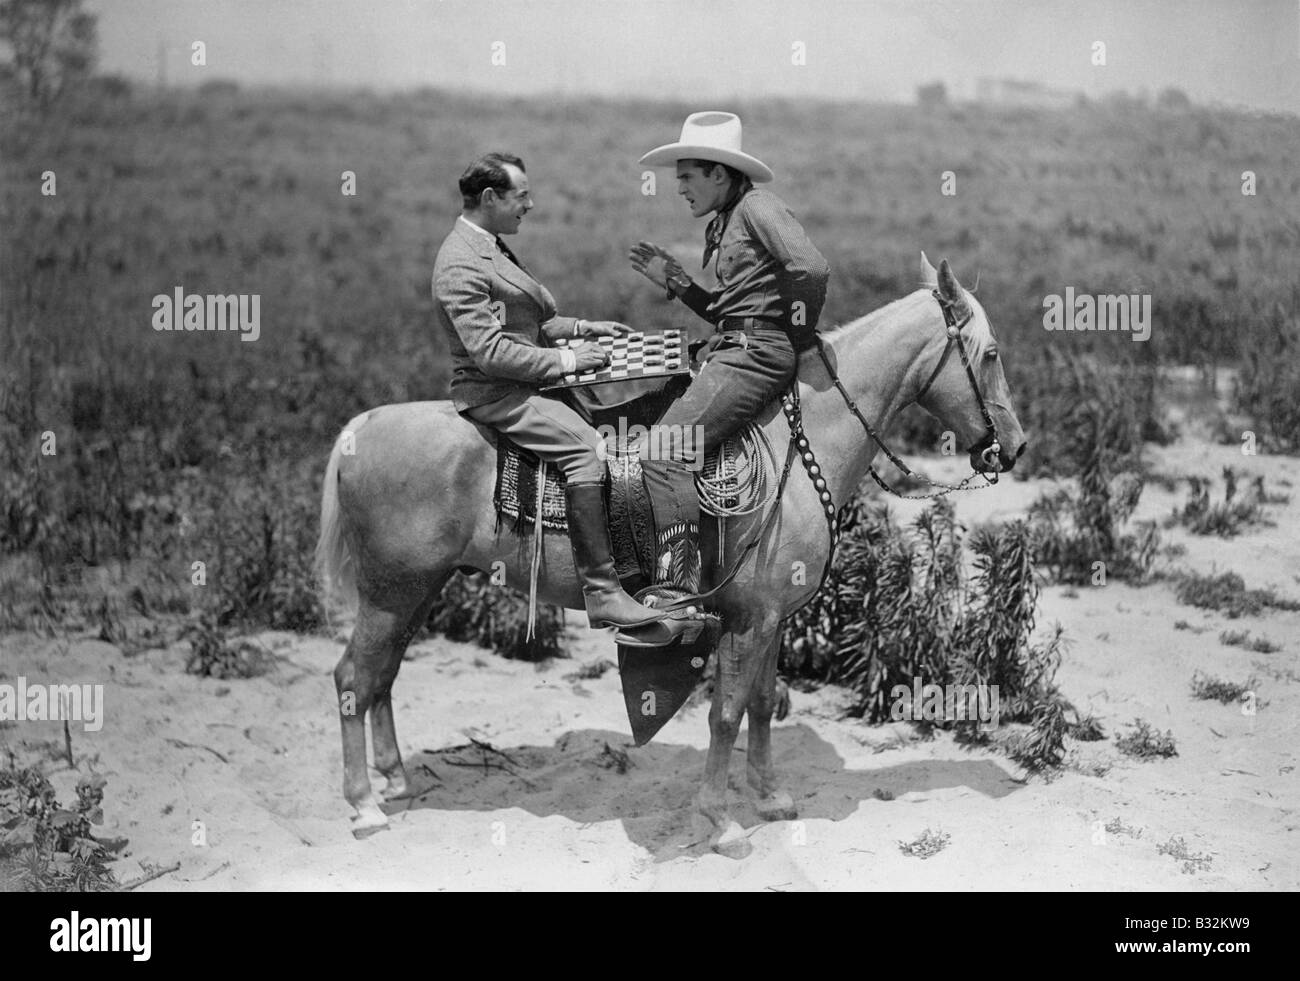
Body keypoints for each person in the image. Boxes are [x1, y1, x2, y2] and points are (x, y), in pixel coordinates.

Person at [432, 152, 665, 634]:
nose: (531, 205)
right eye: (522, 196)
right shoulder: (460, 262)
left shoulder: (488, 246)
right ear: (491, 198)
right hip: (497, 392)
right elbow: (491, 352)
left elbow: (523, 322)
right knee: (588, 453)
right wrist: (568, 360)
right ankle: (602, 592)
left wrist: (582, 328)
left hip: (526, 381)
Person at [623, 112, 830, 646]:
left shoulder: (758, 207)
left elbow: (809, 268)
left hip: (753, 354)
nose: (680, 188)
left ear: (719, 173)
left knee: (661, 450)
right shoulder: (726, 218)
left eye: (688, 175)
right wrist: (678, 284)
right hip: (737, 345)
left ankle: (676, 597)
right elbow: (730, 311)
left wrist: (800, 336)